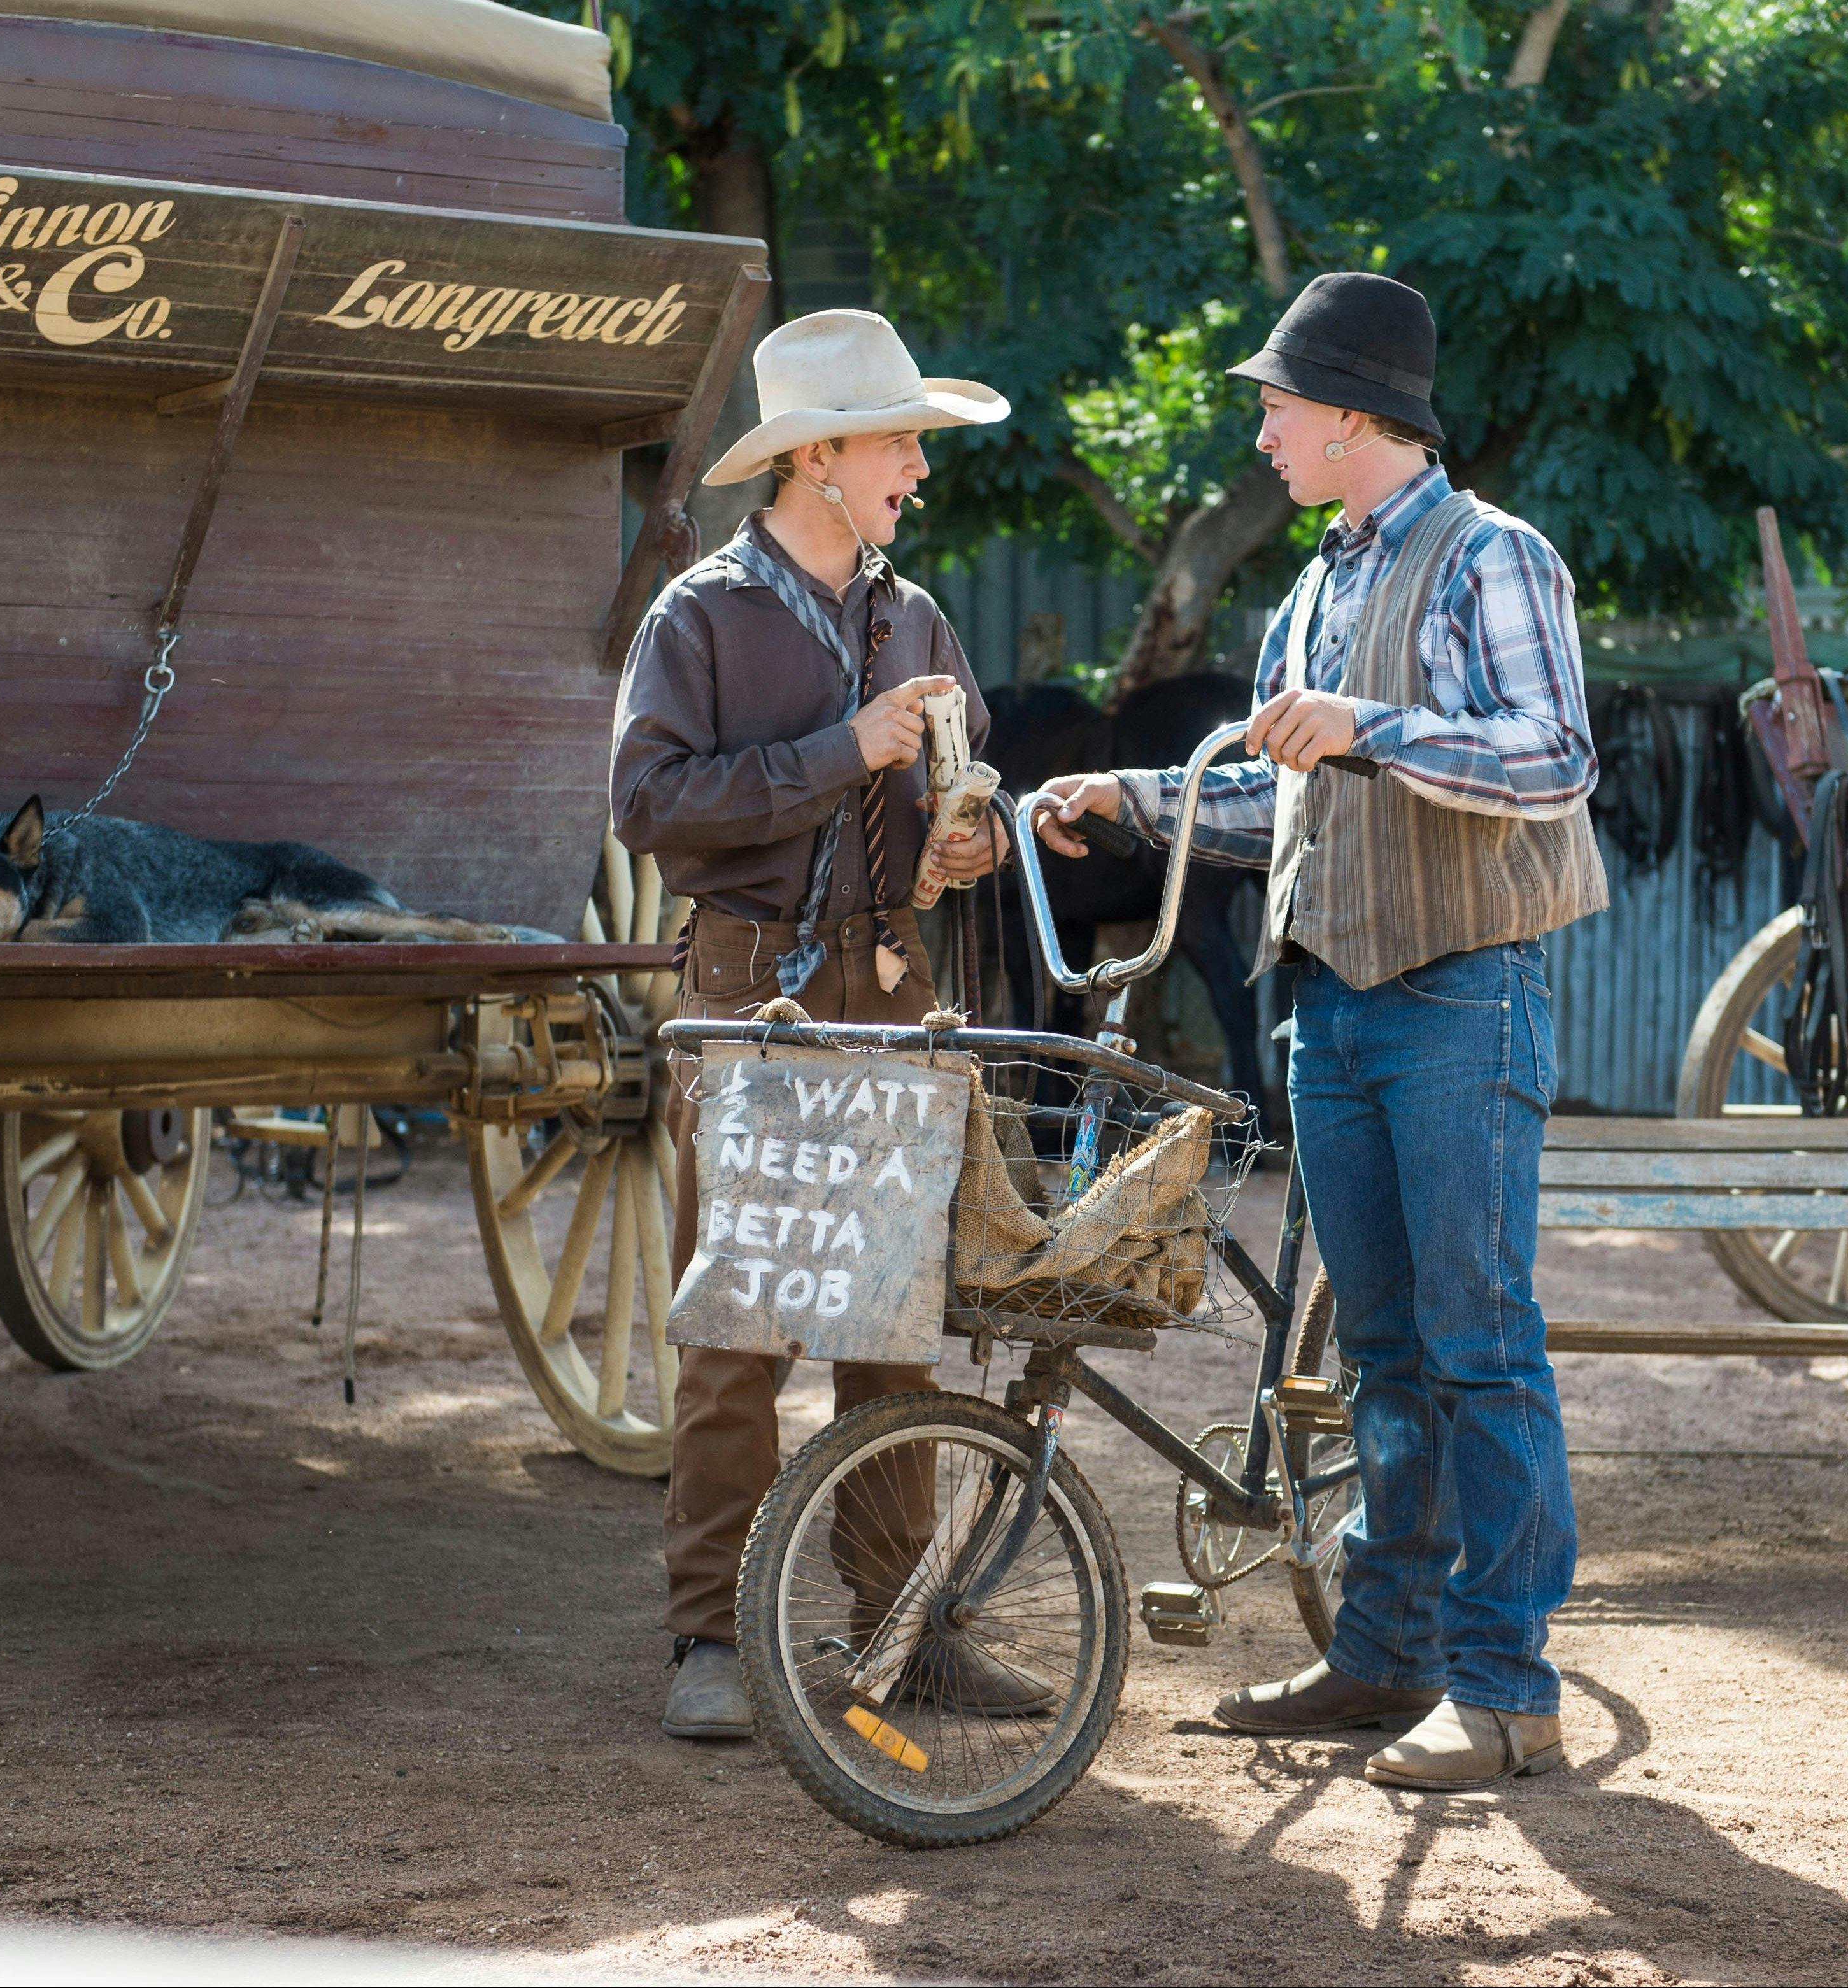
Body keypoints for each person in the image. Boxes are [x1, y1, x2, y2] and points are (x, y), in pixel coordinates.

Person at [1034, 272, 1605, 1789]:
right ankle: (1383, 1661)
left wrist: (1377, 729)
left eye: (1280, 407)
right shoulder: (1314, 591)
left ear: (1358, 418)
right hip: (1329, 1008)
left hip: (1464, 991)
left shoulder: (1495, 558)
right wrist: (1133, 804)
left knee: (1477, 1342)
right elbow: (1270, 792)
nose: (1265, 433)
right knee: (1384, 1358)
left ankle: (1504, 1689)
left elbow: (1555, 762)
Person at [611, 308, 1027, 1742]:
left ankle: (901, 1637)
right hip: (749, 997)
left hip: (891, 992)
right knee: (737, 1330)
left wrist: (960, 840)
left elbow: (960, 798)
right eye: (899, 439)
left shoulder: (914, 616)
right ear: (819, 460)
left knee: (890, 1333)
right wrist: (837, 755)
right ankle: (706, 1645)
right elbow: (651, 806)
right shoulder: (700, 616)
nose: (919, 463)